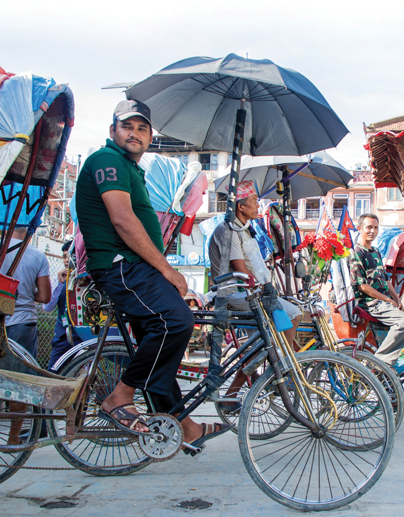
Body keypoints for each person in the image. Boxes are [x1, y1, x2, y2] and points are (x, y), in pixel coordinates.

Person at [75, 99, 219, 446]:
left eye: (142, 128)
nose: (135, 134)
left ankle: (184, 427)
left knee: (160, 343)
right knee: (177, 322)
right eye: (127, 126)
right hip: (121, 265)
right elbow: (123, 221)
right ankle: (119, 397)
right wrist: (167, 269)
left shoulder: (130, 168)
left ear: (151, 136)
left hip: (133, 266)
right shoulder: (108, 160)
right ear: (113, 131)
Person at [208, 180, 304, 407]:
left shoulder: (245, 230)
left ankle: (232, 394)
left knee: (261, 344)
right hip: (233, 293)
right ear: (240, 206)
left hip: (250, 293)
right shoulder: (229, 230)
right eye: (253, 201)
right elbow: (241, 270)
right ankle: (280, 364)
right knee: (293, 313)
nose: (257, 205)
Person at [349, 214, 404, 365]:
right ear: (360, 229)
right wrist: (387, 299)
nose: (372, 231)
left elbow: (385, 279)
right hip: (371, 303)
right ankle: (379, 362)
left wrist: (397, 299)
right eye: (369, 227)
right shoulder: (357, 253)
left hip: (383, 302)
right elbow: (362, 286)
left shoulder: (376, 251)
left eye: (376, 227)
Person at [0, 226, 51, 359]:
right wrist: (28, 292)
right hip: (22, 320)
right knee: (23, 371)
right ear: (30, 230)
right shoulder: (38, 256)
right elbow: (45, 297)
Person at [44, 240, 82, 370]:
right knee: (54, 371)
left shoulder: (85, 279)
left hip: (84, 336)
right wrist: (60, 283)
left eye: (70, 256)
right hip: (63, 335)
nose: (67, 260)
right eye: (64, 256)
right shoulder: (58, 280)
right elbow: (47, 307)